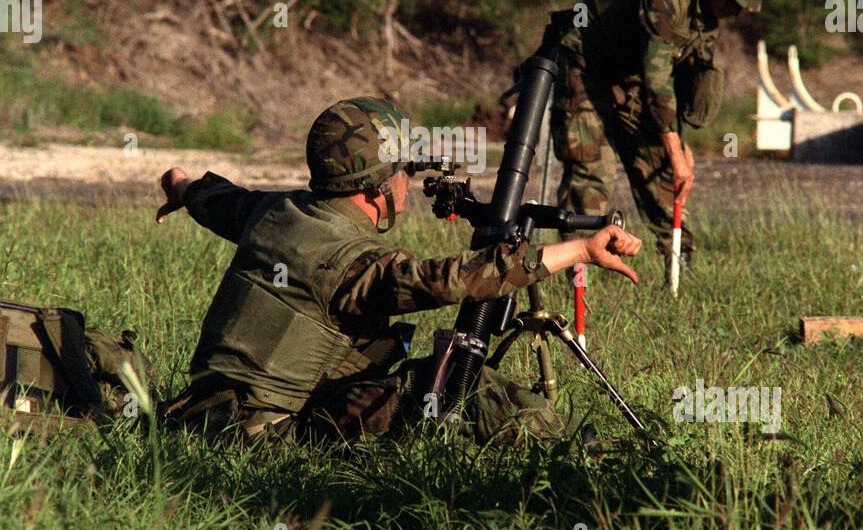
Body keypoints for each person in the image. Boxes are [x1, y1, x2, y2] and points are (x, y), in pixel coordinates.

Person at [156, 97, 641, 447]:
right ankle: (587, 452)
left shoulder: (272, 212)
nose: (408, 183)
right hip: (267, 435)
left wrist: (178, 186)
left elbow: (208, 196)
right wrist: (579, 250)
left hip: (201, 411)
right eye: (402, 173)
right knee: (463, 384)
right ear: (375, 189)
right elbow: (448, 281)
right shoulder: (350, 263)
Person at [544, 0, 773, 275]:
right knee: (591, 170)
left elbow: (681, 82)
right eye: (733, 1)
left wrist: (679, 146)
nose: (734, 13)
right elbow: (657, 79)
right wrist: (676, 152)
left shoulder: (707, 14)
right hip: (586, 67)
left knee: (662, 171)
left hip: (632, 78)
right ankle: (579, 277)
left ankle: (681, 271)